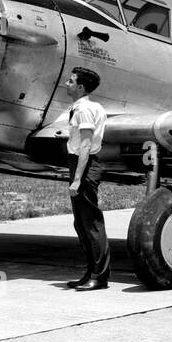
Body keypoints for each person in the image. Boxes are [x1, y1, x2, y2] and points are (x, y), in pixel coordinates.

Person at [63, 66, 110, 290]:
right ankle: (90, 272)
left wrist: (77, 179)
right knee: (81, 223)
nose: (67, 84)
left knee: (90, 224)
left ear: (80, 87)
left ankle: (99, 276)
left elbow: (85, 144)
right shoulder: (84, 107)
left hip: (85, 164)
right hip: (82, 163)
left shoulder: (84, 110)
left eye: (71, 81)